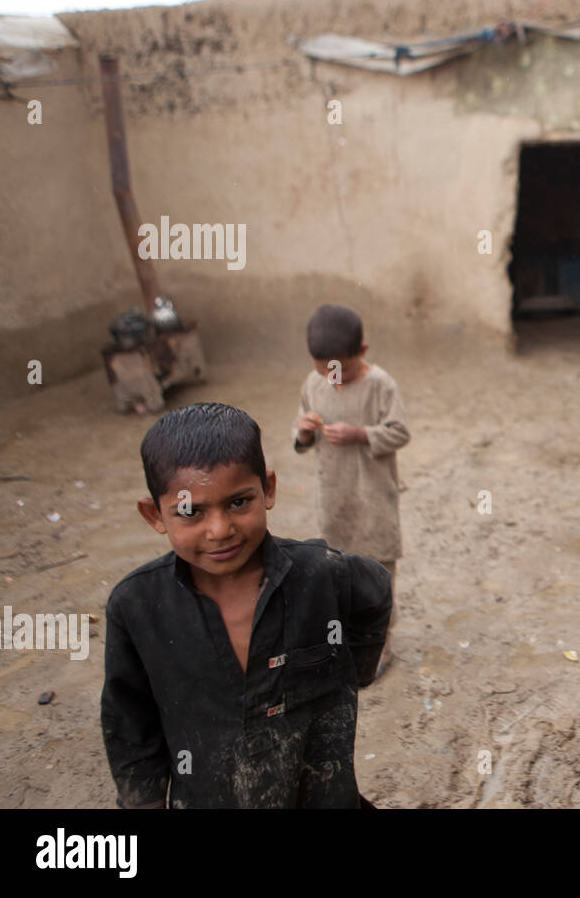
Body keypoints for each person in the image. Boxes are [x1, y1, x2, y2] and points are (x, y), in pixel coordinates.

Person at [101, 402, 391, 808]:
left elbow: (376, 590)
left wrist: (355, 669)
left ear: (267, 489)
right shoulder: (137, 607)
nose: (220, 530)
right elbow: (130, 723)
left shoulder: (322, 575)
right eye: (190, 511)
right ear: (155, 514)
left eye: (238, 502)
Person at [294, 304, 410, 675]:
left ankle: (382, 639)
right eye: (323, 371)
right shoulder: (313, 385)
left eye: (340, 370)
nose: (332, 379)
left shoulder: (381, 385)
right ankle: (345, 634)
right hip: (335, 497)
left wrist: (361, 434)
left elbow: (399, 431)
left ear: (363, 351)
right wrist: (304, 433)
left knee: (377, 566)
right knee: (338, 567)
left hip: (373, 496)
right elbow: (300, 435)